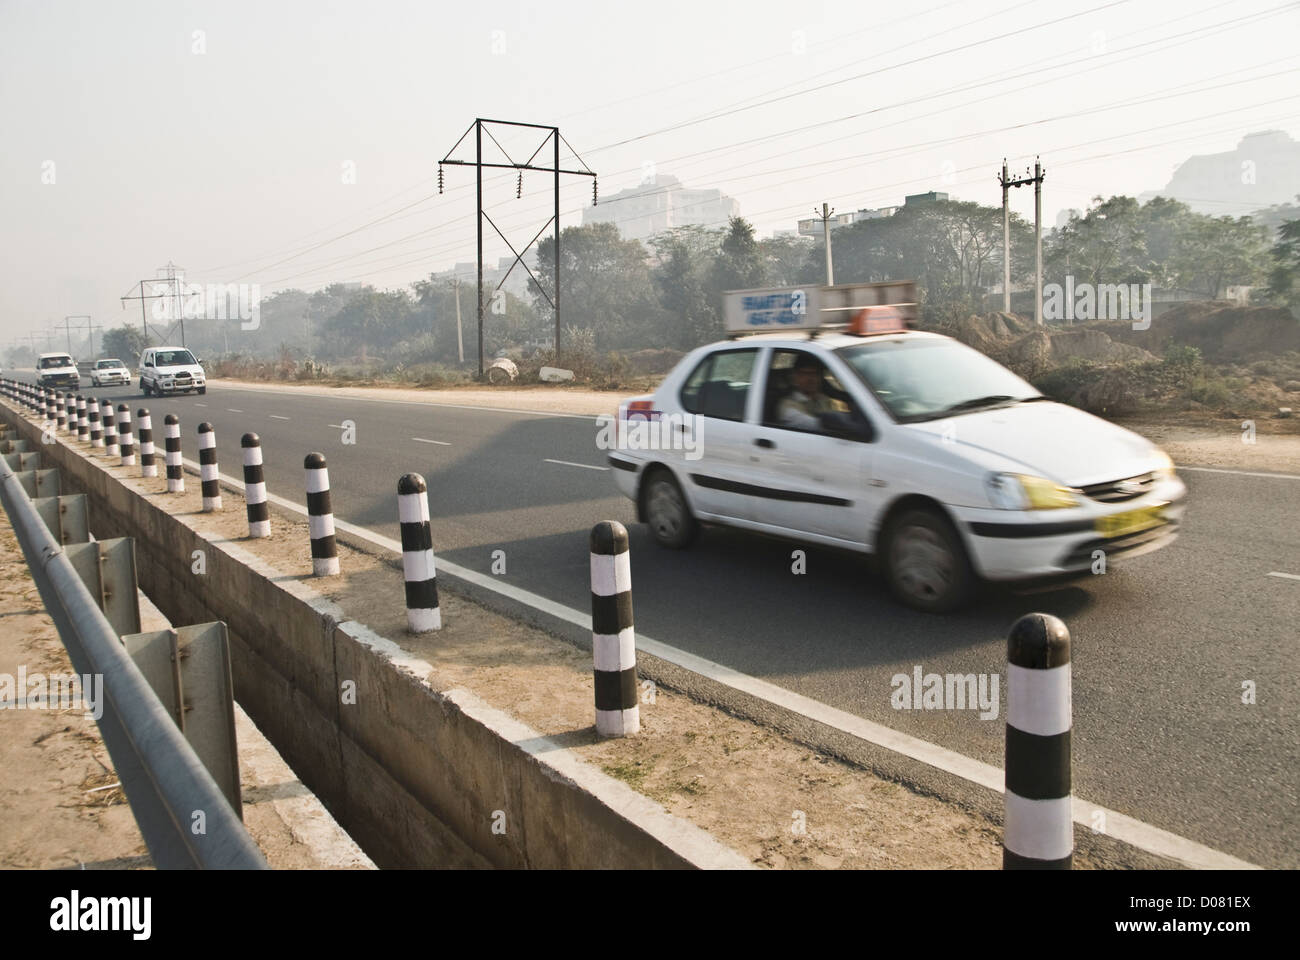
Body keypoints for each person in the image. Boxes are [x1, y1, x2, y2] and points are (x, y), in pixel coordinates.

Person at [778, 355, 837, 430]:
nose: (811, 379)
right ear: (795, 377)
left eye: (815, 374)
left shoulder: (824, 399)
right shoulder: (787, 406)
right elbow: (815, 425)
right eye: (805, 374)